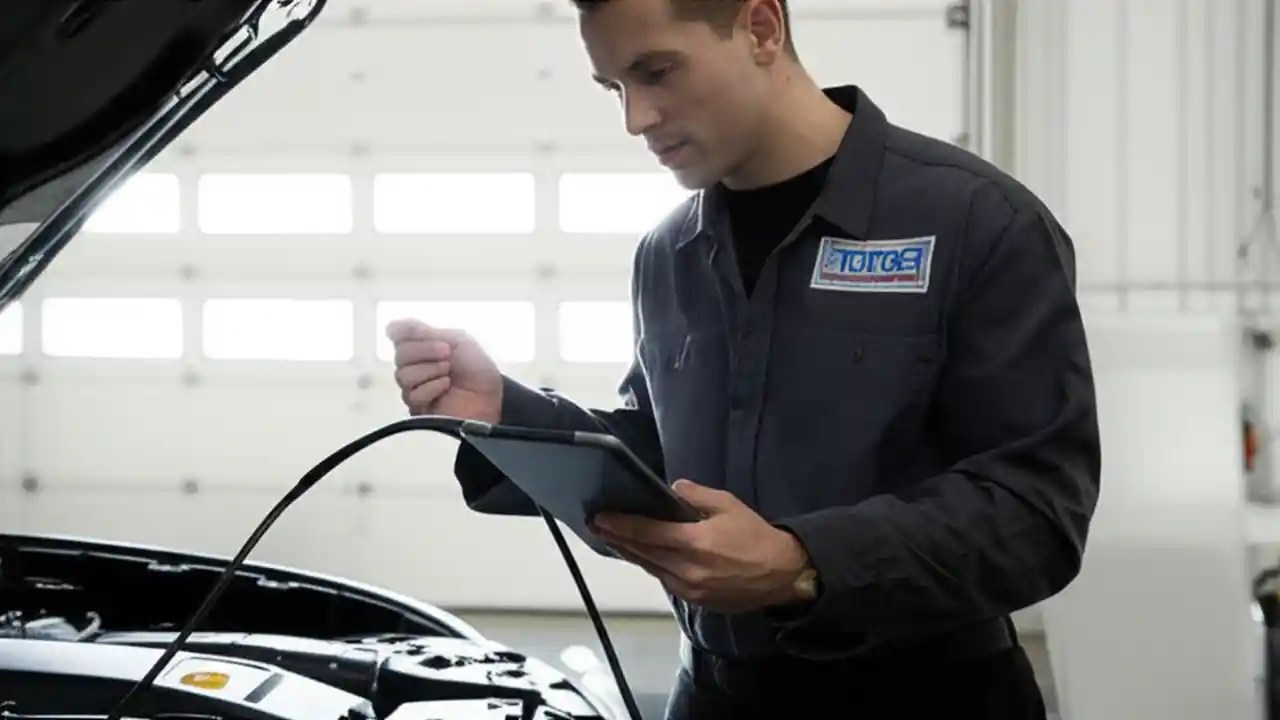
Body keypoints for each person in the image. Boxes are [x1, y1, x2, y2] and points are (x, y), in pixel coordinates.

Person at [386, 0, 1101, 717]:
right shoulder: (669, 254)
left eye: (656, 72)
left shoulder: (977, 224)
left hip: (929, 696)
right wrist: (506, 415)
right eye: (614, 89)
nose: (636, 119)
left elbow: (1035, 513)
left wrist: (803, 563)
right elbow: (665, 461)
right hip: (712, 697)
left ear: (761, 27)